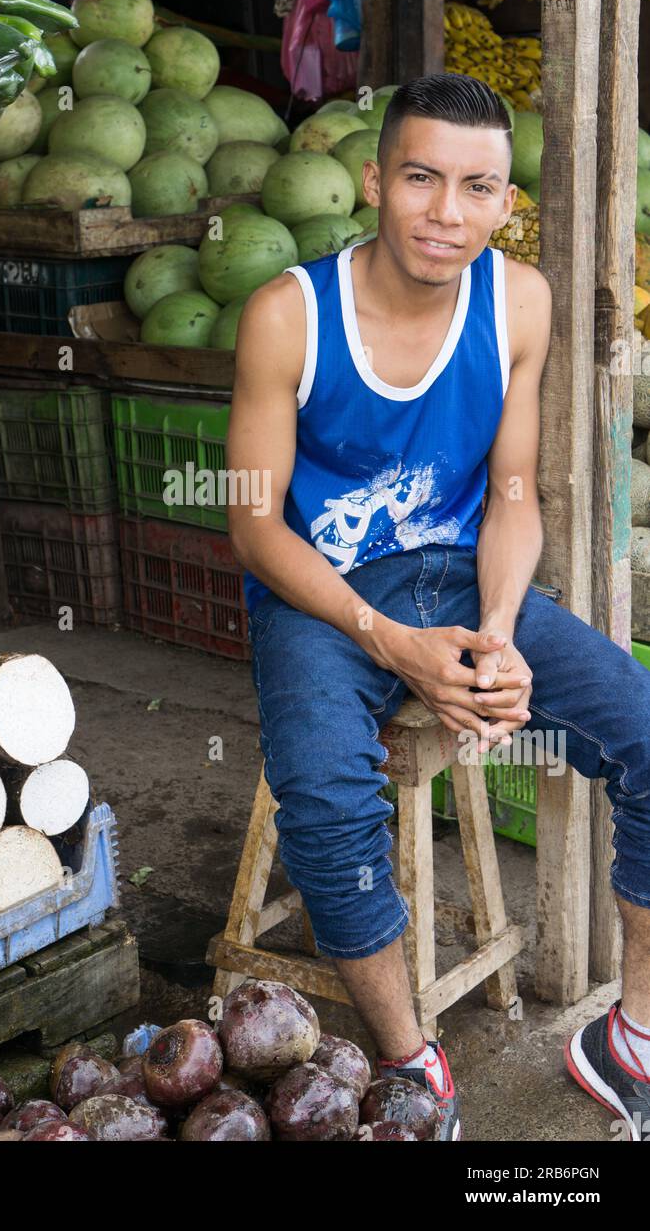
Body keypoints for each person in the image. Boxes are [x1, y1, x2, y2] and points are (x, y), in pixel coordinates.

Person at [226, 72, 650, 1142]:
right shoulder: (286, 314)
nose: (443, 212)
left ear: (504, 203)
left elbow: (512, 493)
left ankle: (628, 1037)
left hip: (459, 577)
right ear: (374, 180)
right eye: (419, 178)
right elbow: (254, 526)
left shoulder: (518, 302)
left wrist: (498, 634)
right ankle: (408, 1059)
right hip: (317, 598)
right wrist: (390, 642)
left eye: (474, 188)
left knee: (645, 731)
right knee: (323, 800)